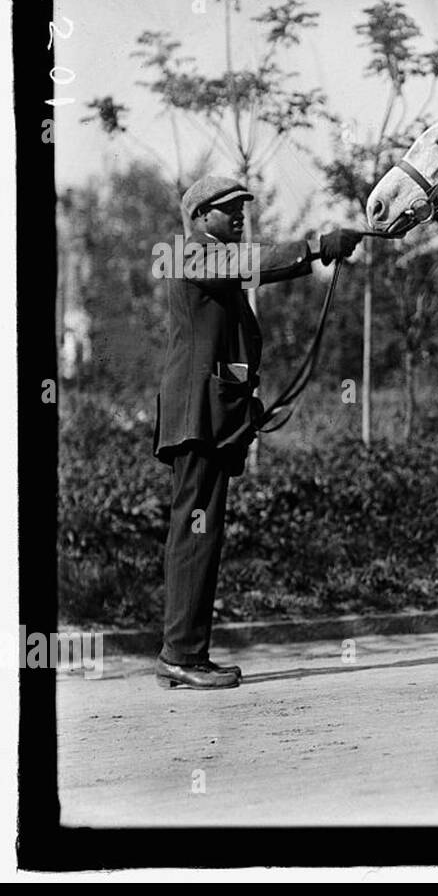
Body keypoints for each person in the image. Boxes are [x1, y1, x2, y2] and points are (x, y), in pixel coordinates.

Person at [152, 174, 362, 689]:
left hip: (211, 417)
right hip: (196, 420)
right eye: (229, 208)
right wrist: (315, 247)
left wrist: (245, 401)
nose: (241, 215)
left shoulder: (209, 259)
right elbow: (253, 265)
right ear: (200, 217)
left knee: (201, 534)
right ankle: (181, 655)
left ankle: (184, 654)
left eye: (243, 207)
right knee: (195, 535)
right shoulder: (188, 253)